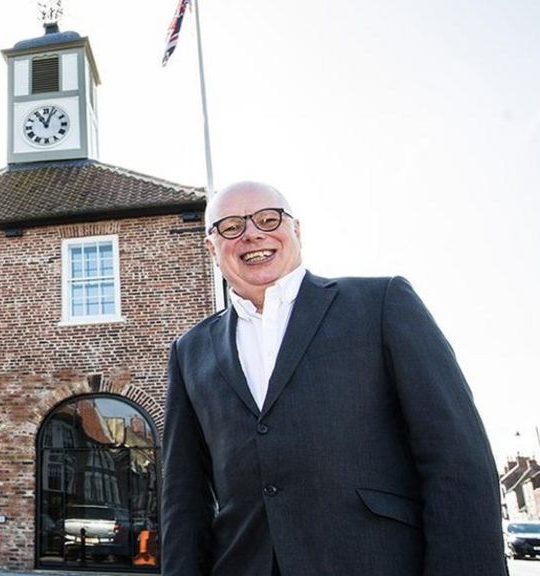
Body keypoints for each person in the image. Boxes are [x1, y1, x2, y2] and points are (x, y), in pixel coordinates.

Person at [160, 181, 506, 576]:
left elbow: (457, 462)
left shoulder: (382, 305)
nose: (252, 233)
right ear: (211, 248)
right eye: (231, 227)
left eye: (268, 219)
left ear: (296, 231)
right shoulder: (190, 352)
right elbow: (183, 500)